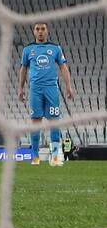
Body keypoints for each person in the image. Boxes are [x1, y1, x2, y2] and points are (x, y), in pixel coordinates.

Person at [17, 21, 74, 166]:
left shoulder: (55, 48)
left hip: (51, 89)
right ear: (34, 32)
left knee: (54, 121)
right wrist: (20, 88)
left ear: (47, 31)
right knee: (35, 121)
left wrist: (68, 86)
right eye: (37, 29)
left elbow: (63, 67)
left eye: (43, 29)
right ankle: (35, 157)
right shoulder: (28, 50)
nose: (40, 31)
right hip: (35, 89)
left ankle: (54, 157)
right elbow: (23, 69)